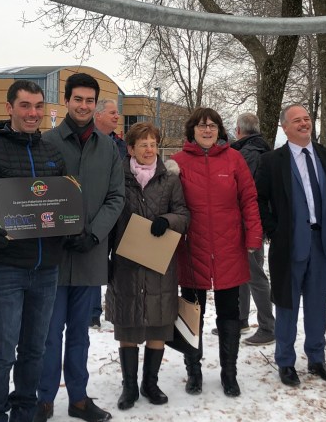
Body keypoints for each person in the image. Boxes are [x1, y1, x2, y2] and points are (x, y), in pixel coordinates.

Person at [0, 80, 66, 422]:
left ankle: (24, 411)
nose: (32, 113)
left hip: (45, 268)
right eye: (25, 106)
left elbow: (62, 205)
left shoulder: (51, 153)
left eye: (37, 106)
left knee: (35, 350)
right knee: (3, 352)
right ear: (9, 108)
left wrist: (70, 227)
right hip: (4, 267)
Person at [38, 73, 124, 422]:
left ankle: (78, 398)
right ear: (67, 100)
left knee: (79, 333)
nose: (84, 106)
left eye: (90, 100)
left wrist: (94, 233)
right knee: (47, 332)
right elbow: (36, 192)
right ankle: (43, 399)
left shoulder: (109, 148)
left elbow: (116, 196)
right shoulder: (47, 142)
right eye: (78, 99)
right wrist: (56, 230)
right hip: (54, 255)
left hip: (89, 253)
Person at [256, 104, 326, 387]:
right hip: (290, 244)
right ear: (285, 127)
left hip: (321, 243)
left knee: (317, 303)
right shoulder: (273, 161)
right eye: (297, 120)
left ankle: (317, 358)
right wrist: (273, 229)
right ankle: (285, 361)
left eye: (307, 118)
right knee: (287, 304)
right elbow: (258, 200)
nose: (304, 123)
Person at [171, 108, 262, 398]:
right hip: (191, 247)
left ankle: (229, 372)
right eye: (201, 126)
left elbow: (248, 198)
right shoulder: (178, 162)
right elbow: (168, 202)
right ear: (192, 131)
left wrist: (254, 234)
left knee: (229, 313)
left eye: (212, 125)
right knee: (191, 313)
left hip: (228, 247)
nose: (207, 130)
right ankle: (193, 371)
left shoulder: (234, 159)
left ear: (220, 130)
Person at [107, 122, 190, 411]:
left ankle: (150, 383)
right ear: (130, 148)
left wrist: (167, 221)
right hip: (126, 261)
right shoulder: (118, 176)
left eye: (153, 143)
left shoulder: (169, 179)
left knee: (158, 322)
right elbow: (108, 211)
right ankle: (129, 386)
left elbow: (183, 213)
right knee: (128, 323)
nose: (149, 149)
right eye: (143, 144)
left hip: (159, 262)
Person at [230, 112, 276, 345]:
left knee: (253, 273)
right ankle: (241, 319)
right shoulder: (265, 150)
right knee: (246, 270)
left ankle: (268, 326)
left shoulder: (244, 154)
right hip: (258, 219)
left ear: (238, 130)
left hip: (248, 221)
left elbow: (240, 190)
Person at [89, 98, 125, 330]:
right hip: (95, 213)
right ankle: (92, 313)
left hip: (119, 212)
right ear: (98, 115)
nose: (117, 116)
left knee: (119, 262)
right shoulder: (87, 141)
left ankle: (117, 308)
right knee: (93, 262)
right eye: (112, 112)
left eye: (117, 113)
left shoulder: (121, 145)